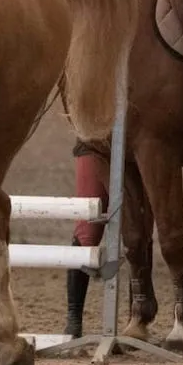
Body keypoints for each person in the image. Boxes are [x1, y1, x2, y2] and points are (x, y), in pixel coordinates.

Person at [64, 139, 111, 338]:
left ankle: (137, 318)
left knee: (136, 233)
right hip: (94, 143)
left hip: (140, 149)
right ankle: (74, 317)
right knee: (86, 233)